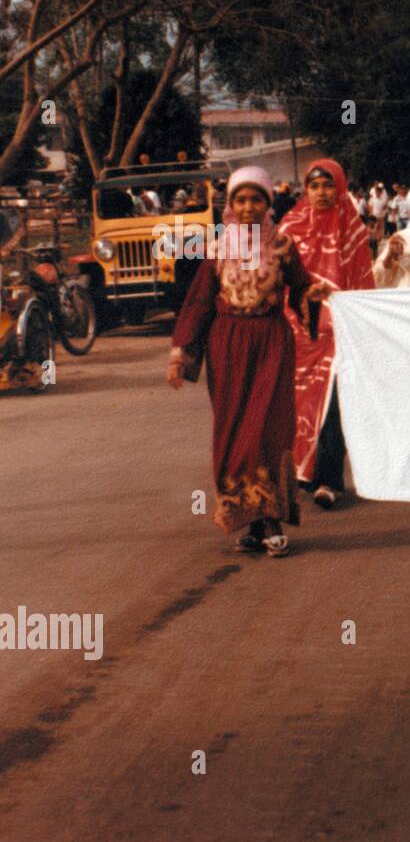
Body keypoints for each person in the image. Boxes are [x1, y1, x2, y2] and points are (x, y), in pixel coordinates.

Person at [166, 166, 329, 557]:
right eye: (240, 199)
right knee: (233, 434)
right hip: (228, 346)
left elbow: (302, 289)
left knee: (266, 431)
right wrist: (180, 356)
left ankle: (270, 518)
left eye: (257, 199)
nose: (248, 207)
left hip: (271, 343)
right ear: (231, 205)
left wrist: (313, 294)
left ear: (268, 203)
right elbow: (199, 305)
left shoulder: (283, 246)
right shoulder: (218, 249)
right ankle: (251, 521)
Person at [278, 159, 376, 509]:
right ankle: (305, 473)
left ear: (340, 187)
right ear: (306, 189)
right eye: (315, 186)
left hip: (340, 331)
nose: (322, 193)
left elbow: (363, 280)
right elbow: (277, 279)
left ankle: (330, 480)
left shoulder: (352, 228)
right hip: (299, 332)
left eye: (328, 185)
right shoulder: (289, 227)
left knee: (335, 406)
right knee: (302, 406)